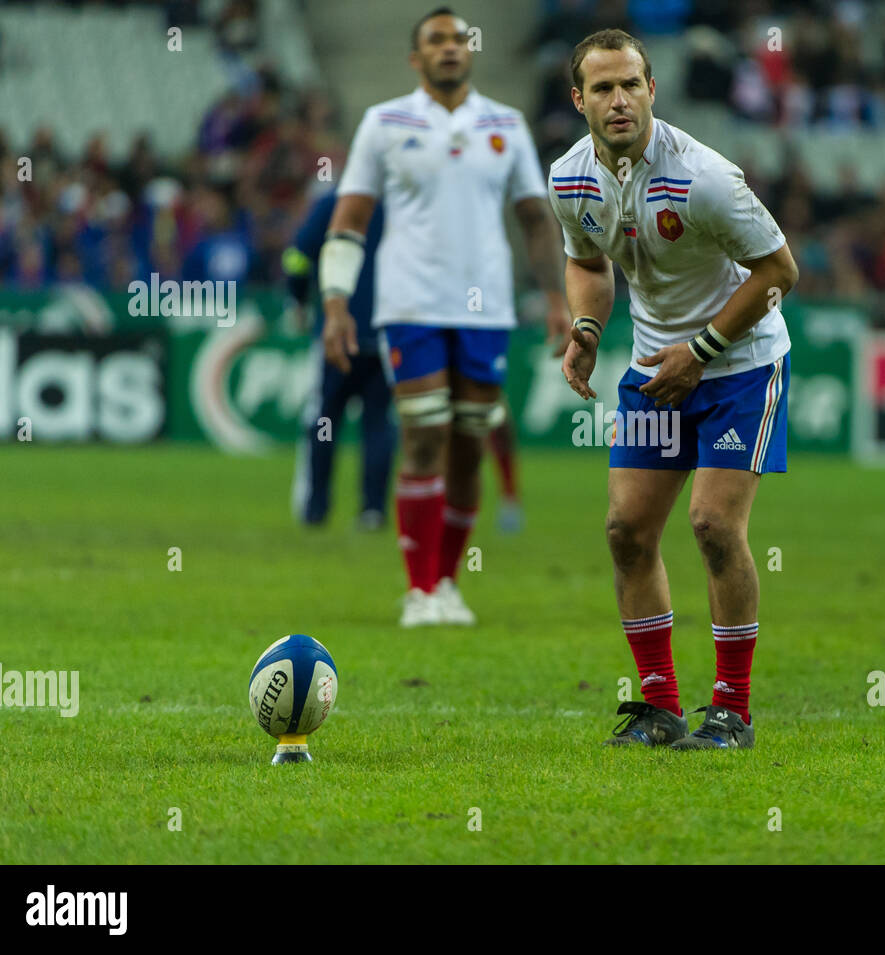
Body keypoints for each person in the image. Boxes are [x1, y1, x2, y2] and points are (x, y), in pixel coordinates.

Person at [552, 29, 798, 749]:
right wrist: (589, 328)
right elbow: (587, 261)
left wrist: (703, 349)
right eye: (603, 88)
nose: (619, 99)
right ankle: (659, 707)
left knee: (713, 525)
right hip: (657, 372)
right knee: (626, 531)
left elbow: (779, 271)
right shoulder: (569, 178)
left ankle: (733, 710)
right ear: (579, 100)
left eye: (631, 84)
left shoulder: (704, 177)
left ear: (652, 89)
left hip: (740, 362)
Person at [320, 7, 569, 626]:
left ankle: (448, 583)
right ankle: (418, 589)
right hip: (411, 303)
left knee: (468, 444)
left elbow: (536, 221)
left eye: (459, 38)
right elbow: (348, 220)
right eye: (436, 40)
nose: (450, 48)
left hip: (488, 308)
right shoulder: (384, 123)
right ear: (416, 58)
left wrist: (560, 300)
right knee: (424, 433)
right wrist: (334, 303)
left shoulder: (506, 125)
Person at [284, 190, 394, 529]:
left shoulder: (333, 201)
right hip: (386, 332)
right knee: (377, 424)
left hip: (336, 330)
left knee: (325, 421)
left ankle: (316, 507)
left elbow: (297, 256)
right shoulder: (399, 202)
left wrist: (298, 299)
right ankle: (372, 510)